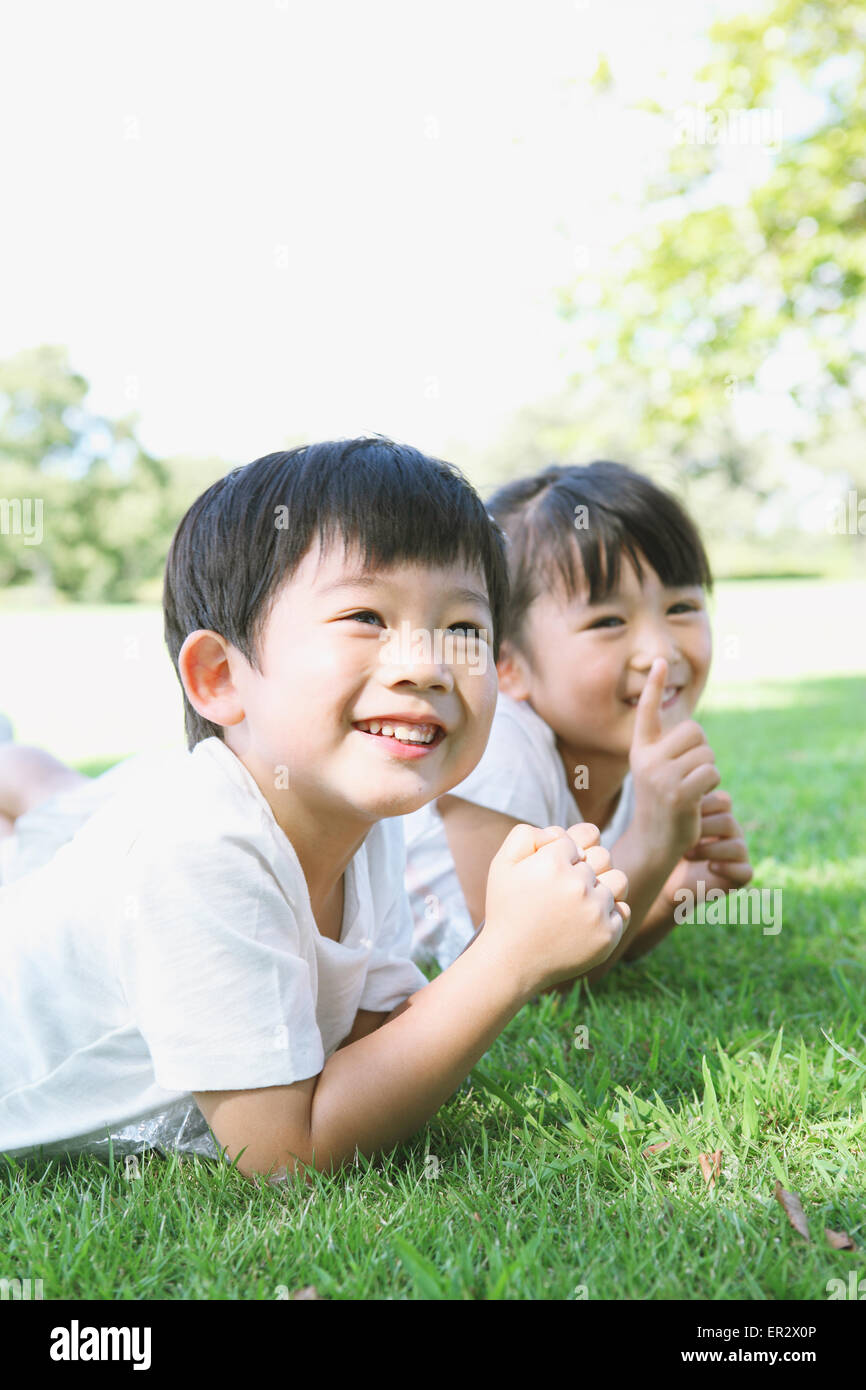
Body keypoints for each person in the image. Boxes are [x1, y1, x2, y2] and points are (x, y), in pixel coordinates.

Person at [0, 439, 629, 1178]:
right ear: (220, 678)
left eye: (462, 628)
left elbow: (369, 1038)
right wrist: (506, 957)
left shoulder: (361, 816)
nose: (425, 665)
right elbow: (281, 1158)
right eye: (366, 615)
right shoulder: (201, 846)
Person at [405, 460, 752, 978]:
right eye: (608, 620)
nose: (660, 653)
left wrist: (677, 884)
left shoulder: (634, 757)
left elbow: (604, 946)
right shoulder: (499, 746)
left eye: (680, 607)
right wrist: (654, 838)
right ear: (509, 665)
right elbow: (525, 966)